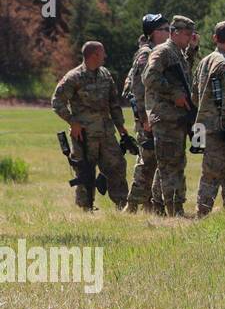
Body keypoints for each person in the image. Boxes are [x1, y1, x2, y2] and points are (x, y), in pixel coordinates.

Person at [51, 41, 131, 210]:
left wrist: (121, 127)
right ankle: (85, 207)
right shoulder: (74, 77)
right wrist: (73, 122)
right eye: (103, 53)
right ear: (94, 55)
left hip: (106, 132)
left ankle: (123, 204)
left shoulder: (105, 75)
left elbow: (114, 104)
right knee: (85, 171)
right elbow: (57, 102)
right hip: (84, 135)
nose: (105, 56)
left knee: (117, 165)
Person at [142, 16, 199, 216]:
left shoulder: (179, 53)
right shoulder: (163, 51)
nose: (189, 38)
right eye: (186, 34)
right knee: (170, 166)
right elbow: (149, 77)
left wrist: (192, 49)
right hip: (166, 118)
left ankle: (158, 206)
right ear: (175, 33)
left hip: (177, 118)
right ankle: (174, 209)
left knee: (172, 163)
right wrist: (173, 94)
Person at [121, 13, 171, 213]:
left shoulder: (162, 52)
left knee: (157, 161)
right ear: (152, 33)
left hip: (161, 115)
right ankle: (132, 205)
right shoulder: (146, 54)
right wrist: (144, 119)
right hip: (149, 118)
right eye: (164, 30)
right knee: (147, 162)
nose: (168, 33)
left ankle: (151, 206)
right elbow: (138, 89)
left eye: (169, 29)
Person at [193, 21, 225, 216]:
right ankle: (203, 212)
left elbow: (195, 95)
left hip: (203, 124)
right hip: (220, 127)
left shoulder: (204, 61)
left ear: (214, 38)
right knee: (215, 171)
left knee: (215, 169)